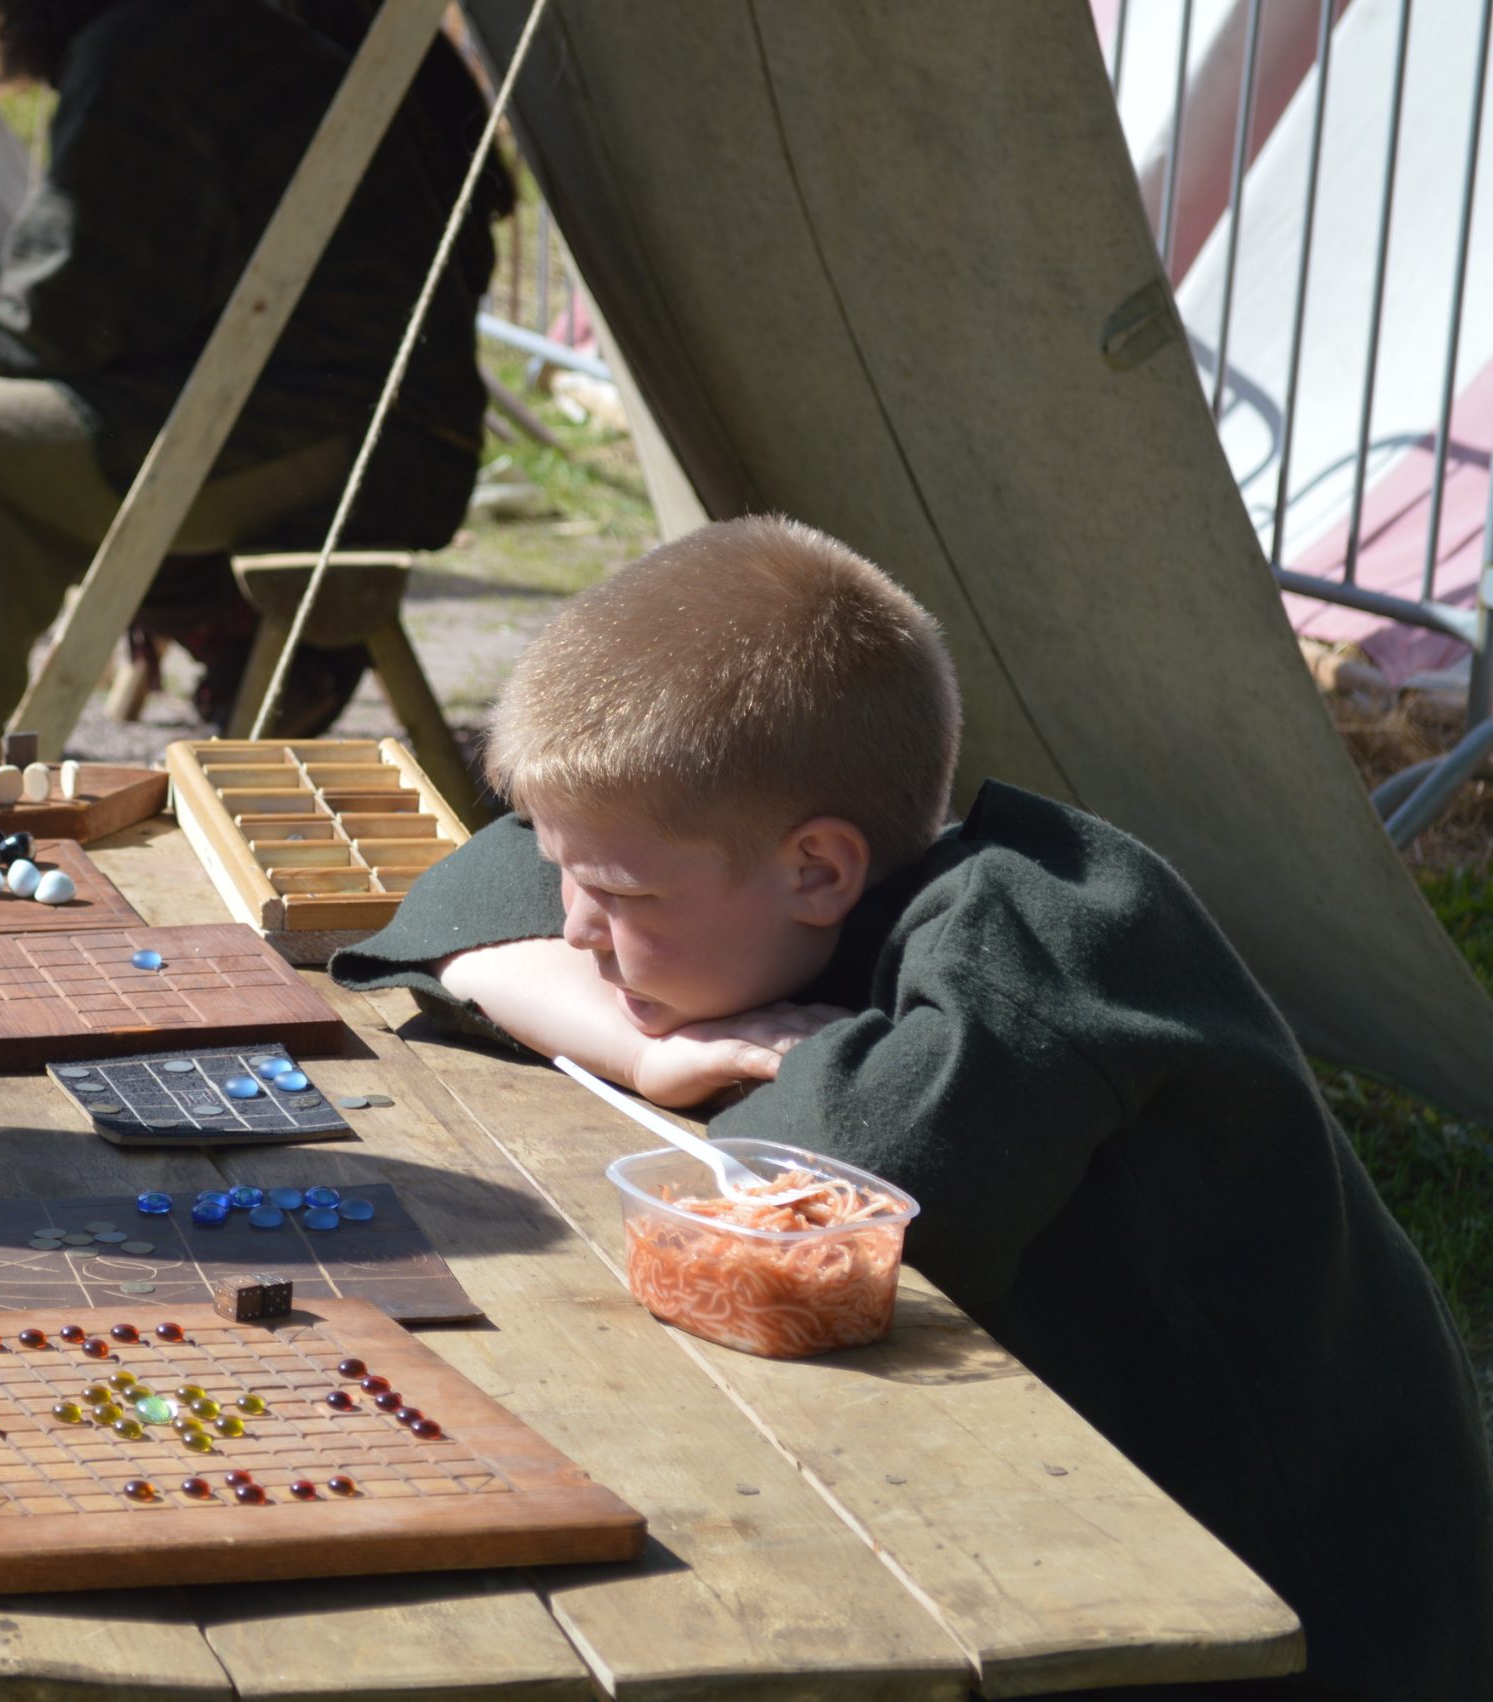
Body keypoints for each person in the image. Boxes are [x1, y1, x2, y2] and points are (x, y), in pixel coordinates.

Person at [332, 516, 1493, 1698]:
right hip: (1087, 1514)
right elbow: (457, 908)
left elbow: (841, 1183)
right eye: (571, 877)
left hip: (1301, 1604)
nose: (576, 925)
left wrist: (769, 1067)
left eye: (616, 895)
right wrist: (649, 1049)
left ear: (817, 871)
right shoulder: (738, 853)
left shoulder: (1044, 930)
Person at [0, 0, 508, 746]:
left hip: (362, 444)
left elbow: (58, 321)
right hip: (364, 429)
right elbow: (75, 296)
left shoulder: (153, 44)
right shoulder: (182, 33)